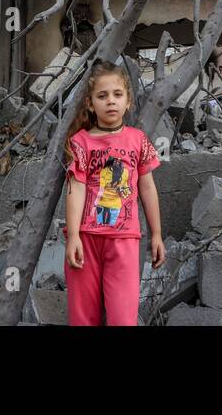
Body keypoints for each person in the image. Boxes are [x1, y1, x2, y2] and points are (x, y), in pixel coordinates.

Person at [63, 58, 165, 325]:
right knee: (83, 318)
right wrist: (73, 235)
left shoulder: (138, 140)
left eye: (117, 94)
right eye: (102, 95)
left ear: (128, 100)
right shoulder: (81, 142)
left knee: (123, 317)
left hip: (125, 242)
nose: (110, 101)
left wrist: (156, 234)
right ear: (90, 103)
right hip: (86, 240)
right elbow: (76, 188)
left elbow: (147, 187)